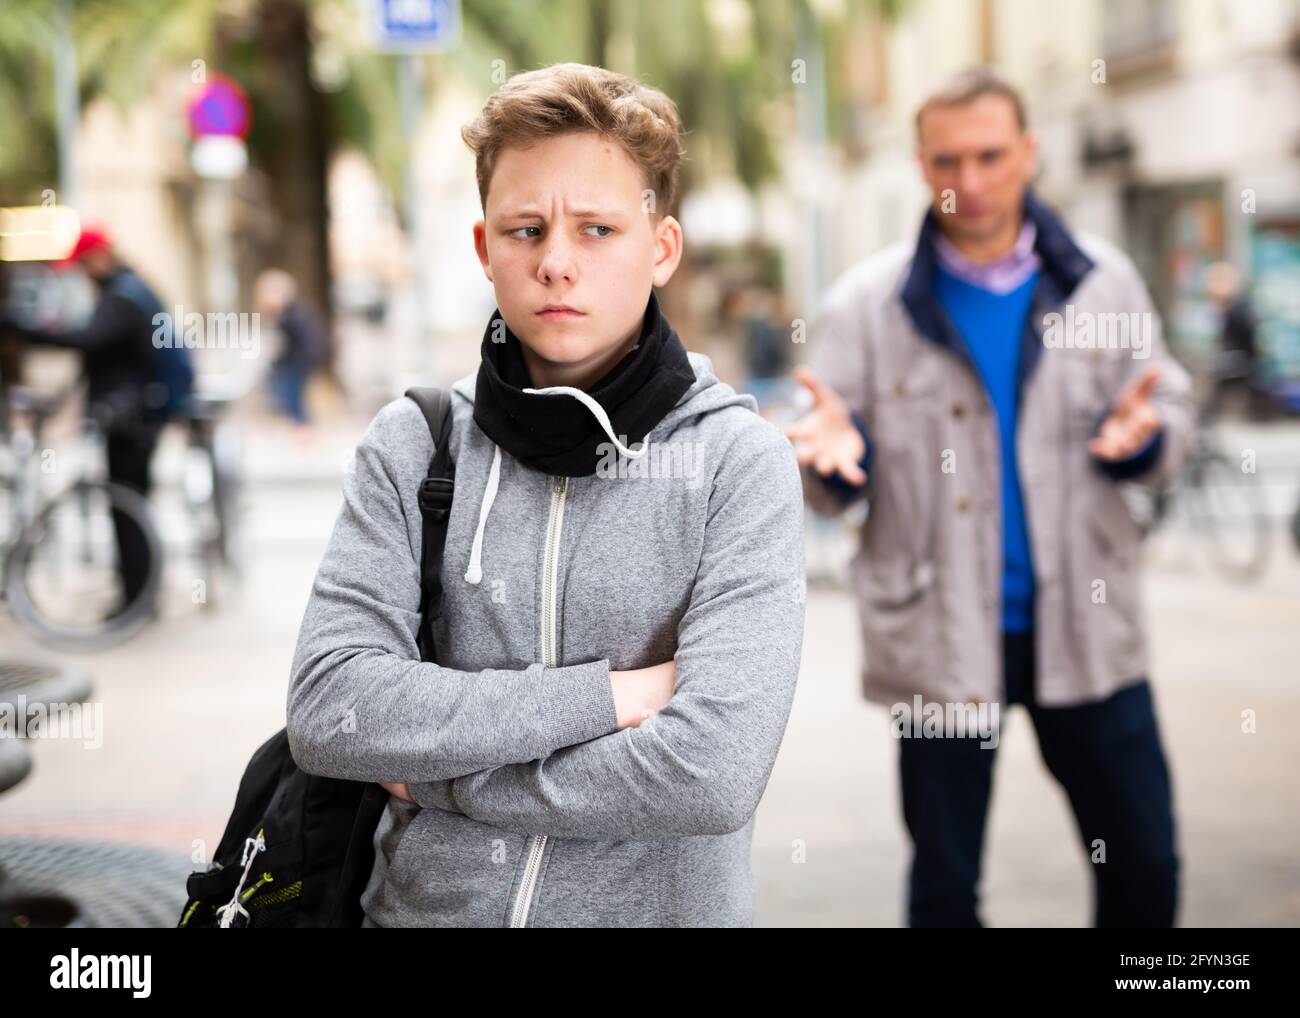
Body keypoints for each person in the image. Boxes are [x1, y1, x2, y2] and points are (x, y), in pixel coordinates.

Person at [286, 63, 806, 928]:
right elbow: (332, 709)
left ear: (661, 249)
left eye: (598, 229)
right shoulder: (416, 441)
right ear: (485, 247)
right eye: (526, 229)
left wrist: (441, 778)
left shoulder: (736, 463)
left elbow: (711, 774)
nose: (557, 263)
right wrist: (612, 697)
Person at [786, 68, 1196, 927]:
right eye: (947, 159)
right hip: (938, 636)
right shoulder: (866, 306)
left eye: (990, 156)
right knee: (943, 882)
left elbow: (1169, 416)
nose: (968, 181)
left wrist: (1146, 440)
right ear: (918, 160)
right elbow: (819, 479)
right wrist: (828, 464)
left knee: (1144, 862)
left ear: (1029, 153)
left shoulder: (1103, 284)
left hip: (1089, 626)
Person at [5, 227, 185, 614]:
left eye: (84, 265)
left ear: (99, 257)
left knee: (127, 506)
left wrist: (25, 329)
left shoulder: (123, 297)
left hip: (130, 422)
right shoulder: (133, 290)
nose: (83, 274)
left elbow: (88, 339)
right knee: (130, 503)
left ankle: (138, 596)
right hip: (136, 416)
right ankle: (140, 593)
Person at [254, 268, 326, 427]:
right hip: (294, 361)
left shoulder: (293, 313)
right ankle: (301, 428)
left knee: (292, 396)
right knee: (288, 394)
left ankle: (304, 428)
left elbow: (302, 340)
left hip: (299, 361)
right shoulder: (293, 312)